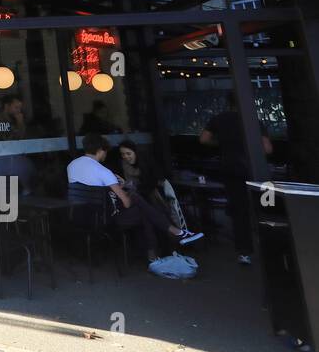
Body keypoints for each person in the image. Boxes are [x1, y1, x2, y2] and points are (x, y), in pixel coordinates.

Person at [67, 136, 202, 264]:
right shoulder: (104, 172)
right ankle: (173, 234)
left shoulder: (71, 166)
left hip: (79, 217)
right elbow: (126, 203)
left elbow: (90, 187)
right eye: (106, 151)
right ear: (101, 150)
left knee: (143, 210)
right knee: (138, 202)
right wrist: (125, 190)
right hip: (105, 221)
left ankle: (159, 249)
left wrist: (113, 186)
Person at [200, 107, 273, 265]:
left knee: (239, 211)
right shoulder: (253, 120)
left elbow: (204, 139)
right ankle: (271, 245)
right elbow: (267, 148)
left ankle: (244, 251)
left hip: (231, 167)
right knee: (265, 206)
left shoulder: (219, 118)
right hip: (256, 169)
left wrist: (220, 144)